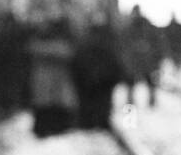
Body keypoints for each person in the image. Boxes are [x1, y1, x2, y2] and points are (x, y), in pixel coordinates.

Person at [27, 8, 78, 138]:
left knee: (51, 109)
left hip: (53, 88)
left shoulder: (45, 44)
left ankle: (53, 131)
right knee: (47, 110)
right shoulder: (43, 43)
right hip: (47, 87)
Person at [72, 8, 125, 130]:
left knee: (103, 101)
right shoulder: (87, 34)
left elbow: (115, 54)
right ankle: (88, 122)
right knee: (89, 101)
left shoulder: (110, 35)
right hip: (88, 74)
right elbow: (80, 53)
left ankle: (100, 121)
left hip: (104, 76)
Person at [121, 5, 164, 109]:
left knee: (147, 81)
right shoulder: (131, 27)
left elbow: (157, 42)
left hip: (143, 60)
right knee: (135, 82)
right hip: (139, 60)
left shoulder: (141, 27)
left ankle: (148, 101)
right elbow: (124, 44)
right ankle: (133, 100)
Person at [163, 12, 181, 83]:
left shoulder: (171, 27)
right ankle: (176, 75)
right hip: (175, 48)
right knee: (176, 62)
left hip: (175, 48)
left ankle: (176, 75)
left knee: (176, 62)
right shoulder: (174, 27)